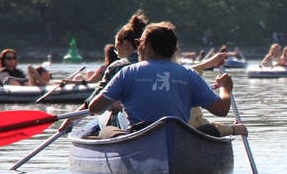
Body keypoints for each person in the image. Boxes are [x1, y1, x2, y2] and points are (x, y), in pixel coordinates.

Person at [88, 22, 232, 133]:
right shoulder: (189, 75)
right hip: (177, 135)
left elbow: (94, 108)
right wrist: (225, 88)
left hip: (140, 135)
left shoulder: (128, 72)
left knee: (107, 131)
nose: (138, 48)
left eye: (139, 43)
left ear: (148, 46)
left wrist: (113, 103)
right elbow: (222, 110)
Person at [187, 48, 248, 137]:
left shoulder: (177, 75)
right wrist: (225, 88)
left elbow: (185, 73)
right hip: (184, 137)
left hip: (164, 135)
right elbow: (221, 110)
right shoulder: (183, 79)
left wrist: (206, 65)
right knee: (209, 129)